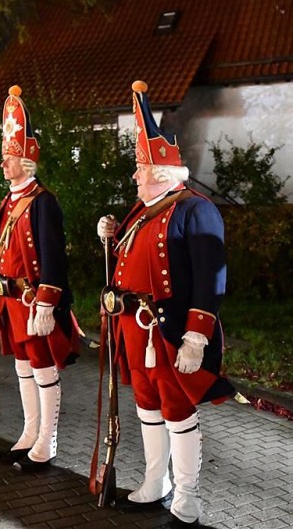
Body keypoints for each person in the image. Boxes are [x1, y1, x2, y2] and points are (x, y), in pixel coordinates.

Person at [96, 81, 235, 527]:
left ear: (160, 171)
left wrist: (197, 334)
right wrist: (110, 238)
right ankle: (156, 481)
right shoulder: (141, 210)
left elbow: (211, 276)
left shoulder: (197, 209)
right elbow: (133, 259)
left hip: (169, 329)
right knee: (146, 408)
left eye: (140, 168)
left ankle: (188, 494)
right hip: (135, 328)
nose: (135, 175)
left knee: (178, 411)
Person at [0, 85, 79, 472]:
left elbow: (52, 256)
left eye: (8, 158)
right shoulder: (9, 200)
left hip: (33, 302)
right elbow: (4, 249)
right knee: (22, 366)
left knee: (42, 368)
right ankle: (29, 431)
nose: (2, 165)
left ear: (26, 161)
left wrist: (49, 302)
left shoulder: (43, 201)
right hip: (10, 302)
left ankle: (47, 442)